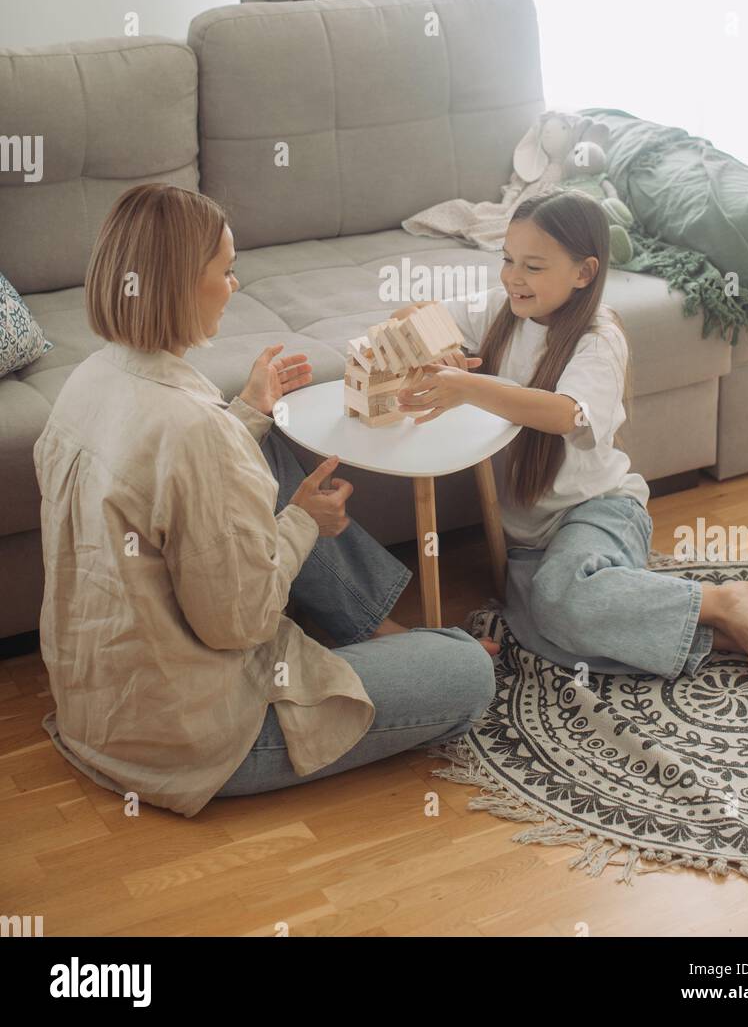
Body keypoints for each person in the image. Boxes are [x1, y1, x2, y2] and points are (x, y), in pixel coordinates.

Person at [33, 183, 496, 819]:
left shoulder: (90, 378)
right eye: (225, 271)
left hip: (101, 706)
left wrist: (246, 413)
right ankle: (387, 651)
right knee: (466, 669)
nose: (235, 285)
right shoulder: (195, 431)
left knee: (266, 447)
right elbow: (238, 624)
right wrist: (306, 520)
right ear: (177, 283)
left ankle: (373, 634)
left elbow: (171, 484)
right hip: (197, 741)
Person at [396, 189, 748, 683]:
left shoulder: (598, 337)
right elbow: (411, 315)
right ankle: (715, 631)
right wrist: (438, 343)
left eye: (532, 266)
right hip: (533, 541)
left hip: (599, 511)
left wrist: (468, 386)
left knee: (556, 604)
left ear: (583, 272)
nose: (513, 277)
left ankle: (719, 598)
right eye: (507, 260)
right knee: (542, 629)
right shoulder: (503, 310)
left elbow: (567, 414)